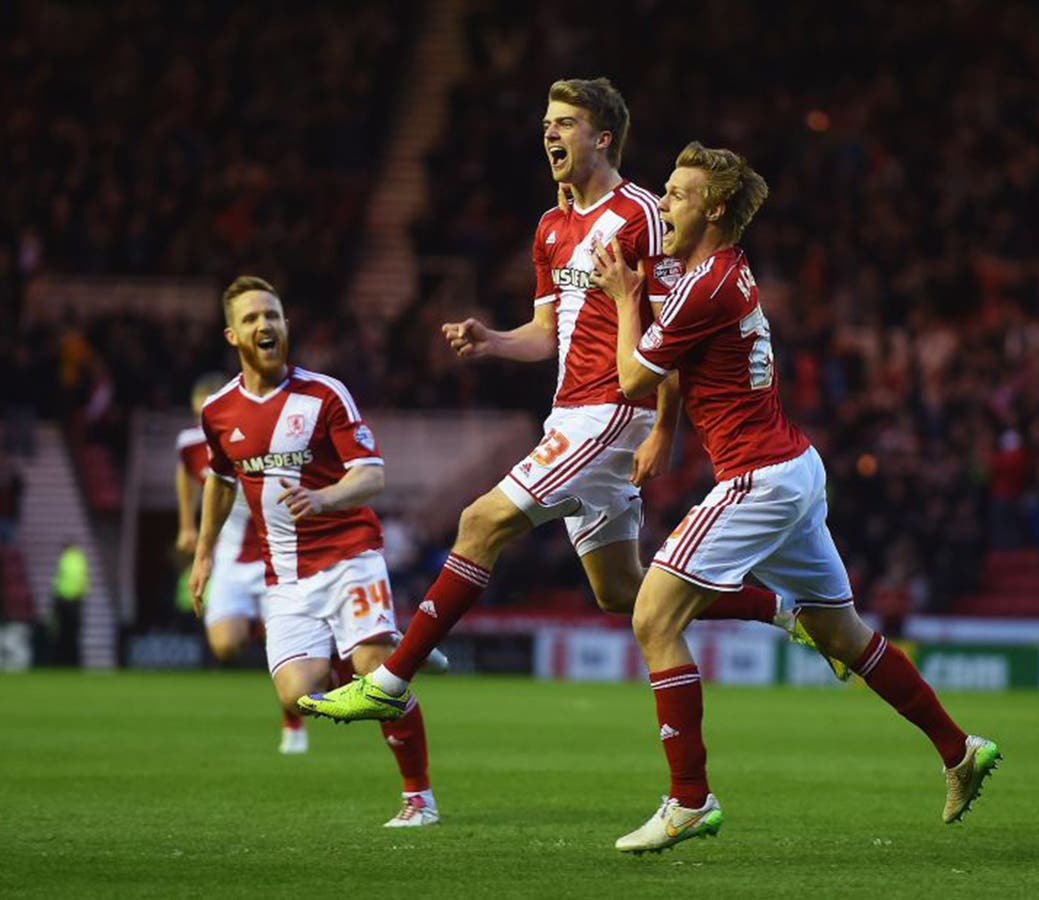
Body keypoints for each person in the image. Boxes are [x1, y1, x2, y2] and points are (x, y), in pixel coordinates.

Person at [298, 78, 809, 725]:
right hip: (568, 412)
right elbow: (544, 335)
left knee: (480, 522)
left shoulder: (643, 216)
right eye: (547, 123)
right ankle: (783, 610)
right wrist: (491, 341)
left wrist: (661, 431)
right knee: (620, 589)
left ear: (602, 139)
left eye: (564, 123)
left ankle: (391, 678)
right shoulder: (551, 227)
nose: (549, 133)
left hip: (611, 414)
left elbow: (671, 328)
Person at [588, 142, 1000, 853]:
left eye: (678, 193)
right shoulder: (725, 272)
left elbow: (631, 378)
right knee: (844, 636)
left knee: (652, 614)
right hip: (797, 469)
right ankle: (959, 748)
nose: (663, 203)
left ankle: (690, 800)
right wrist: (664, 425)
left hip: (759, 479)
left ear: (714, 209)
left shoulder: (705, 285)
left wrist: (626, 299)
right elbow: (676, 359)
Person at [190, 276, 444, 827]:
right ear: (232, 334)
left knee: (377, 678)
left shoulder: (324, 394)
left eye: (274, 316)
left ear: (286, 326)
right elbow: (219, 479)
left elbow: (372, 475)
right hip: (284, 576)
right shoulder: (218, 411)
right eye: (254, 318)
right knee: (296, 696)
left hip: (351, 555)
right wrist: (204, 553)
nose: (266, 326)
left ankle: (418, 797)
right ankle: (382, 649)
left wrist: (325, 497)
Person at [177, 373, 305, 752]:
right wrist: (187, 525)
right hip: (230, 558)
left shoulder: (258, 432)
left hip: (273, 556)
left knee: (287, 666)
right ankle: (267, 629)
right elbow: (185, 476)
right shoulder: (190, 445)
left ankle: (292, 726)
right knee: (224, 645)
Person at [51, 539, 88, 666]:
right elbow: (83, 580)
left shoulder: (65, 558)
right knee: (73, 634)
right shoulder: (80, 559)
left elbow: (58, 580)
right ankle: (73, 661)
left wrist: (55, 599)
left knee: (63, 634)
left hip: (64, 599)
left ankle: (61, 661)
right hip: (76, 600)